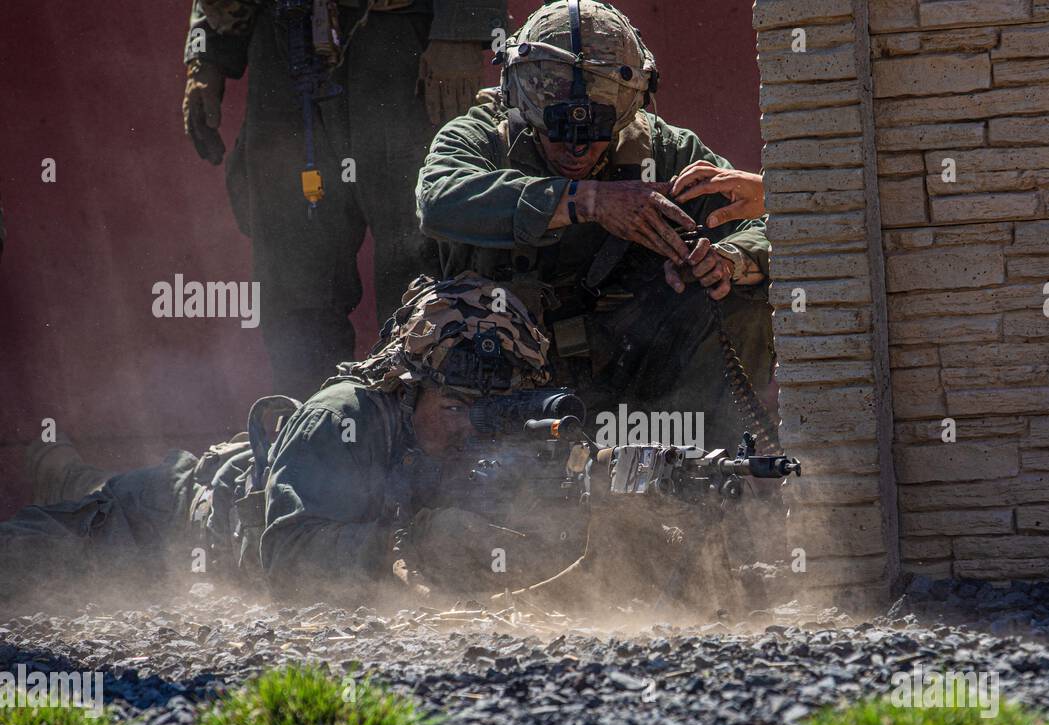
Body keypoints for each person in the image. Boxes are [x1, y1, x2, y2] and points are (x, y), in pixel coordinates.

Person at [0, 275, 554, 609]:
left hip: (213, 486)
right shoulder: (344, 416)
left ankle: (61, 468)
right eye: (454, 407)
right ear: (408, 390)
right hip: (164, 523)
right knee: (22, 560)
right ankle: (61, 469)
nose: (470, 429)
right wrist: (412, 542)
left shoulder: (478, 439)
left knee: (85, 483)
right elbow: (288, 557)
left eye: (488, 413)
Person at [415, 0, 776, 450]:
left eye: (597, 126)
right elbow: (440, 199)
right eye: (557, 125)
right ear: (523, 102)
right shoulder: (482, 138)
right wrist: (586, 200)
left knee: (743, 298)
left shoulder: (662, 151)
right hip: (502, 385)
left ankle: (709, 472)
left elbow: (769, 225)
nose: (576, 148)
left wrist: (727, 260)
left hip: (635, 391)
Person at [182, 0, 508, 398]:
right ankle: (311, 421)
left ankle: (423, 420)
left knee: (421, 257)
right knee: (292, 269)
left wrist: (460, 29)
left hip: (399, 36)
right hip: (282, 39)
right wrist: (207, 53)